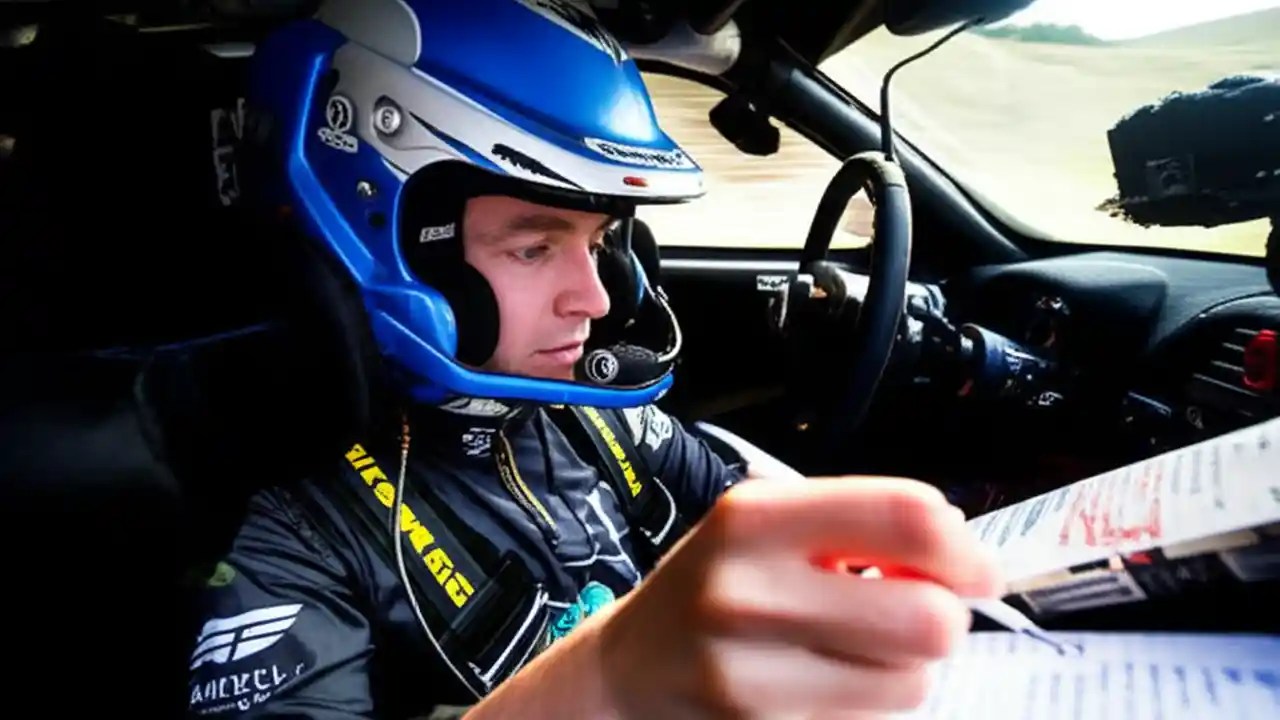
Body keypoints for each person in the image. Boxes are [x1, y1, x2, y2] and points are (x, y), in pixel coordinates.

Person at [184, 1, 1005, 718]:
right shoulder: (282, 527)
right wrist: (609, 681)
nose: (597, 300)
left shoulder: (590, 415)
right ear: (380, 237)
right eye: (534, 248)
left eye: (601, 242)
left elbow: (758, 515)